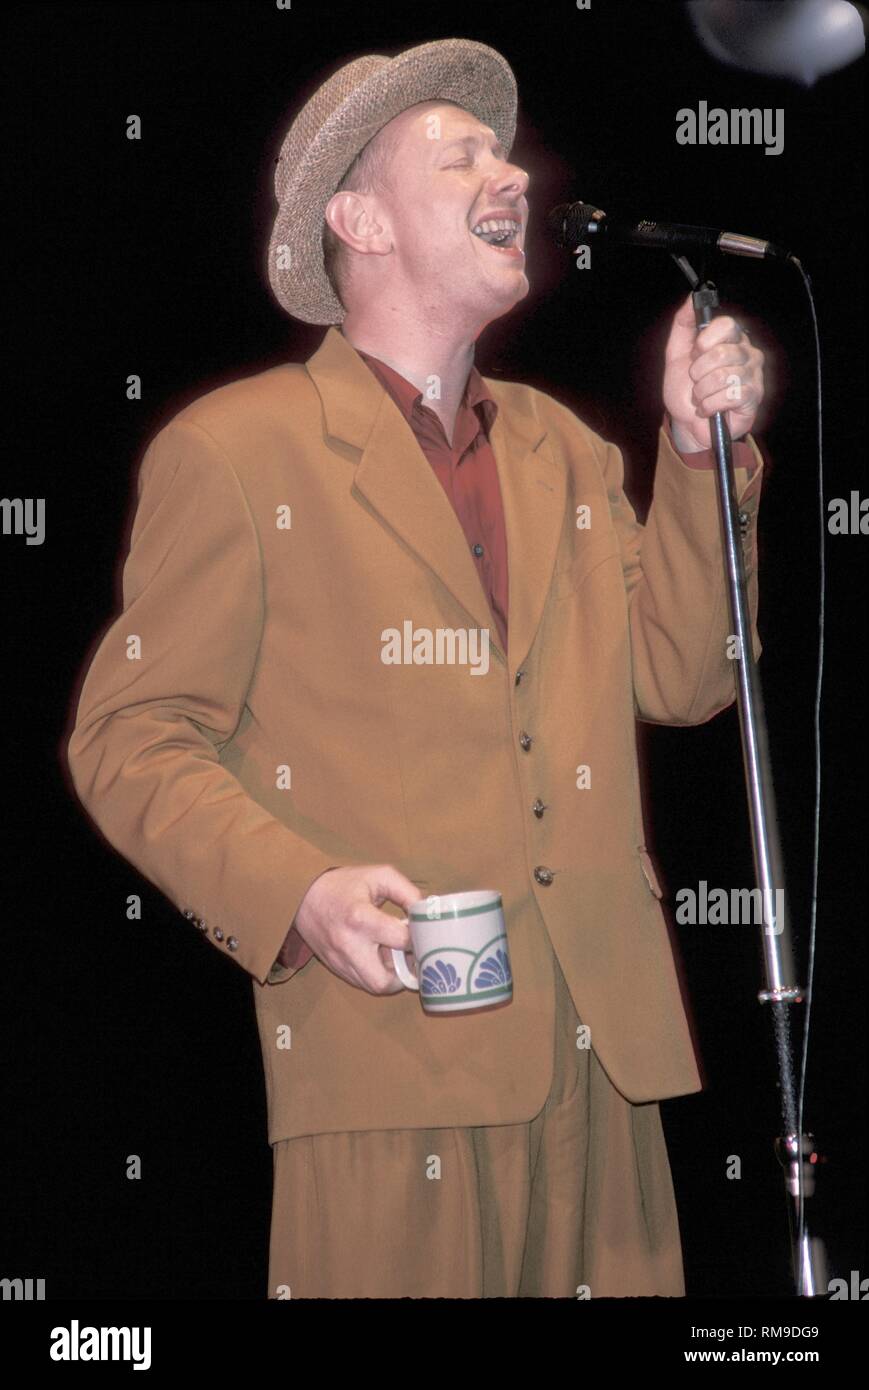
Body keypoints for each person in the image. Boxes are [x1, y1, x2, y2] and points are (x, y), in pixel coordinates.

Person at [66, 38, 767, 1298]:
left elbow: (681, 675)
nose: (511, 176)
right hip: (391, 1067)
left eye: (503, 152)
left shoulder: (564, 447)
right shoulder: (236, 452)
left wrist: (700, 459)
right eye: (462, 156)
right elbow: (128, 735)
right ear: (359, 221)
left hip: (606, 1060)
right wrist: (298, 895)